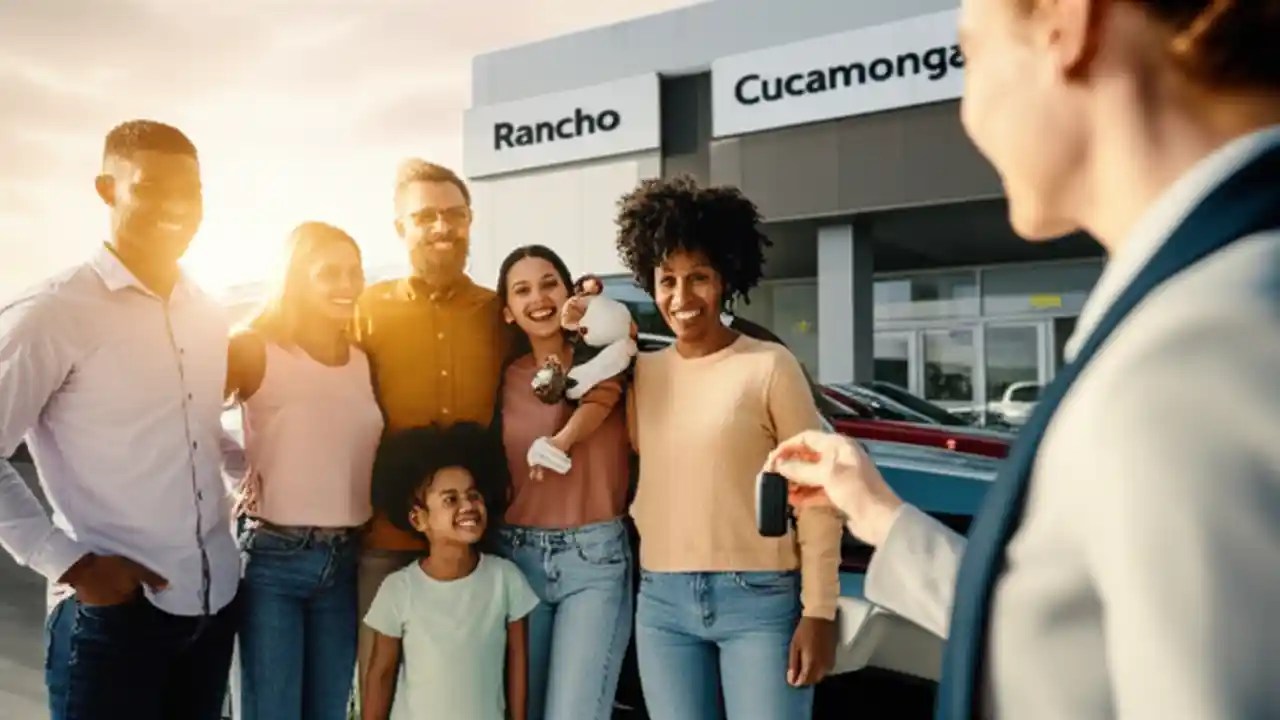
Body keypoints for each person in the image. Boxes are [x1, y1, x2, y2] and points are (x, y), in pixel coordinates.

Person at [767, 1, 1280, 718]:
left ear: (1069, 26)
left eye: (969, 58)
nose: (967, 113)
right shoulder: (1219, 304)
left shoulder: (1195, 355)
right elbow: (1074, 642)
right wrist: (881, 516)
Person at [0, 119, 239, 719]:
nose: (176, 207)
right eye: (151, 187)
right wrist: (71, 564)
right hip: (113, 622)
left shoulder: (208, 314)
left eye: (191, 191)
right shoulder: (52, 313)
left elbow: (199, 433)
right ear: (107, 190)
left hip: (213, 611)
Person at [588, 175, 845, 719]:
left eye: (698, 278)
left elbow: (817, 493)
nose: (682, 298)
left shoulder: (769, 366)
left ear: (725, 278)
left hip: (761, 602)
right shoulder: (643, 375)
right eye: (667, 281)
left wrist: (819, 611)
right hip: (662, 605)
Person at [352, 159, 507, 685]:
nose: (442, 227)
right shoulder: (367, 309)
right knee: (381, 686)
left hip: (475, 541)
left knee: (468, 686)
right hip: (389, 539)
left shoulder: (499, 312)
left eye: (454, 214)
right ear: (401, 228)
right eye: (425, 217)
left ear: (470, 221)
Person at [226, 222, 384, 719]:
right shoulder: (254, 348)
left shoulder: (363, 358)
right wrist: (240, 472)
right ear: (296, 278)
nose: (347, 284)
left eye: (354, 272)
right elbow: (185, 421)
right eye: (329, 273)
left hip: (343, 561)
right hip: (273, 559)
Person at [493, 245, 634, 720]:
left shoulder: (612, 356)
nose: (539, 297)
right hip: (517, 559)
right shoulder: (502, 380)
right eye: (522, 289)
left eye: (549, 282)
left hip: (594, 560)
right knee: (522, 710)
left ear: (570, 292)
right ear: (508, 313)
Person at [361, 422, 539, 720]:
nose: (468, 505)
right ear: (419, 519)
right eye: (450, 499)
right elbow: (380, 675)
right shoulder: (398, 589)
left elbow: (518, 665)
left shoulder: (505, 579)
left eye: (473, 495)